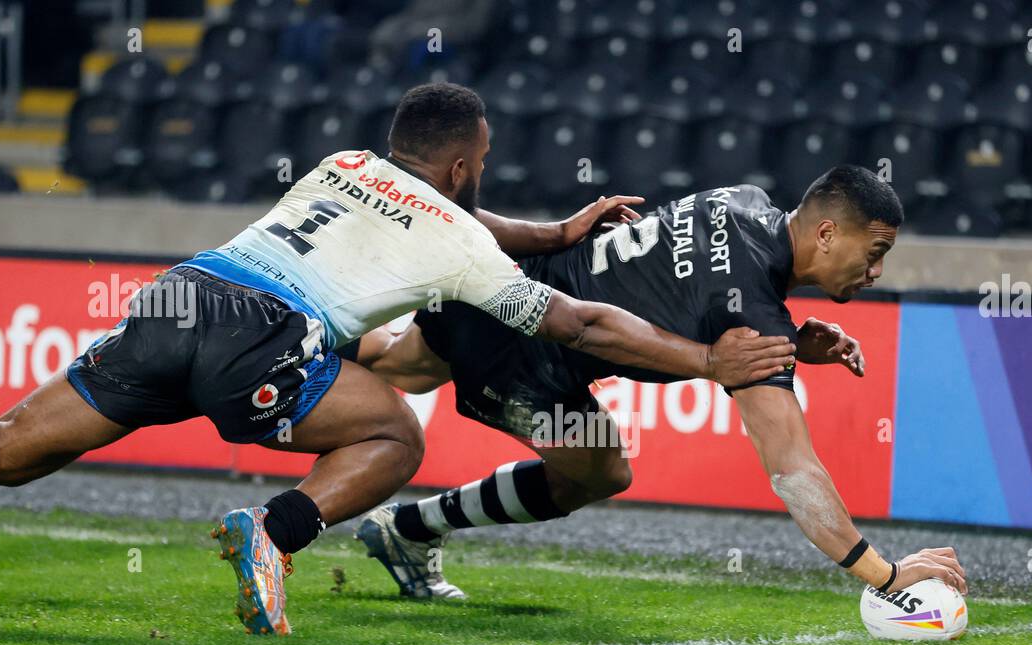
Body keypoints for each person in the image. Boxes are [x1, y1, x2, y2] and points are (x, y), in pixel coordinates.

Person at [0, 83, 795, 634]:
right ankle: (273, 536)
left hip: (184, 293)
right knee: (393, 438)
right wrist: (706, 362)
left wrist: (554, 231)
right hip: (260, 335)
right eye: (483, 162)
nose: (483, 174)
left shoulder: (342, 162)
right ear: (463, 165)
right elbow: (577, 325)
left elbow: (444, 213)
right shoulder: (461, 243)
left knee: (1, 449)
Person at [353, 166, 967, 599]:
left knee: (400, 363)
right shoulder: (750, 314)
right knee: (600, 471)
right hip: (530, 357)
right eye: (876, 250)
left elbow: (701, 284)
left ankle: (294, 333)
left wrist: (787, 338)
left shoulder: (745, 199)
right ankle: (407, 528)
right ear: (828, 234)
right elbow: (795, 471)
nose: (878, 271)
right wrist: (885, 575)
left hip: (517, 280)